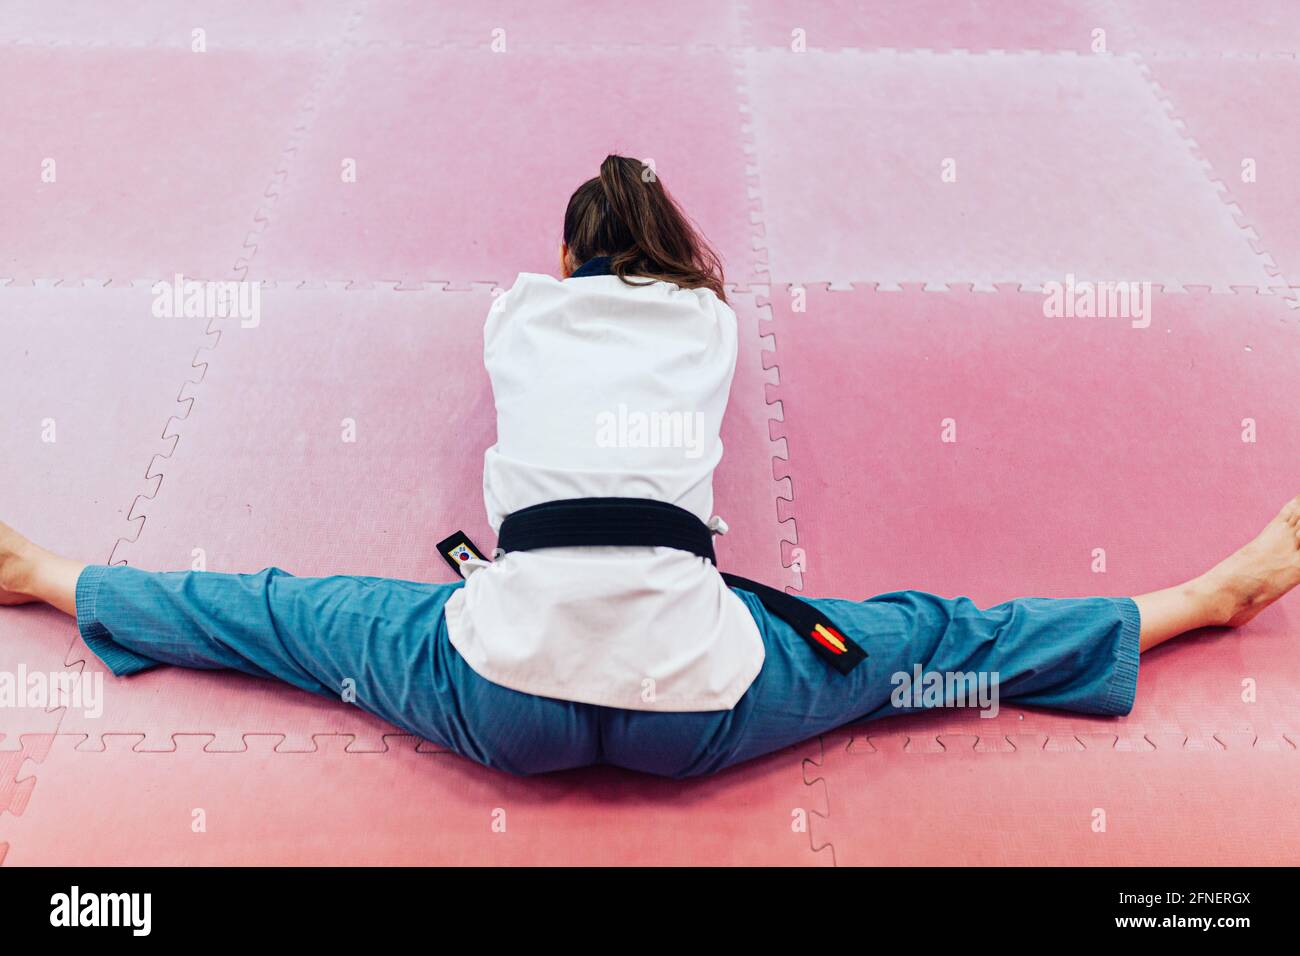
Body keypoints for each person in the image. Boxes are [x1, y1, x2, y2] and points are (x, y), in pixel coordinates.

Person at [3, 155, 1298, 778]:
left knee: (287, 616)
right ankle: (1196, 601)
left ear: (565, 265)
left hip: (499, 698)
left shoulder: (520, 309)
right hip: (703, 708)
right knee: (929, 645)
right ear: (680, 255)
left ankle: (53, 577)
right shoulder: (710, 320)